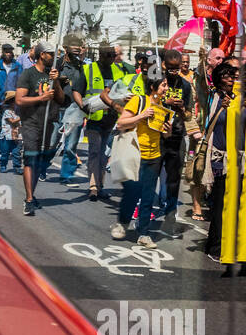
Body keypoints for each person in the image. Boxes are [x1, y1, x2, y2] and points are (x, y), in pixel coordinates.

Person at [111, 73, 170, 249]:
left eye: (166, 85)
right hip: (135, 154)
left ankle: (144, 233)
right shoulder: (139, 101)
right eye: (163, 85)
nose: (166, 89)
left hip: (154, 155)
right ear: (153, 87)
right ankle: (122, 222)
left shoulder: (163, 107)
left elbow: (165, 134)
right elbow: (121, 124)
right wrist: (141, 116)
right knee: (132, 192)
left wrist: (168, 130)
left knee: (148, 196)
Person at [154, 48, 200, 236]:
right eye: (171, 68)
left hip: (177, 136)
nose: (174, 71)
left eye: (177, 68)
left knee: (174, 181)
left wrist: (181, 108)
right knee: (150, 177)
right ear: (164, 65)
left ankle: (170, 217)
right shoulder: (157, 81)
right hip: (157, 136)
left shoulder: (186, 85)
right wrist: (164, 101)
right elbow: (149, 103)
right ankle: (144, 212)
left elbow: (189, 113)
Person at [15, 41, 64, 216]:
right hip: (31, 123)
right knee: (31, 159)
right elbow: (20, 100)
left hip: (48, 123)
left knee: (40, 162)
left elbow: (61, 99)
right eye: (51, 54)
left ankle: (32, 194)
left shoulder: (54, 74)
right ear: (42, 54)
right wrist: (40, 99)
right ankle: (28, 200)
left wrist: (56, 82)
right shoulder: (28, 74)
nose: (54, 57)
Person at [82, 44, 130, 201]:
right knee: (94, 151)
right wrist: (82, 108)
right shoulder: (88, 69)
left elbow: (123, 90)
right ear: (100, 55)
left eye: (113, 55)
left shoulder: (119, 71)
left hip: (111, 118)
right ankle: (93, 187)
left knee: (103, 154)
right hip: (94, 117)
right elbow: (78, 91)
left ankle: (100, 185)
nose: (111, 58)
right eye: (108, 55)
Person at [201, 61, 238, 261]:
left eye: (232, 76)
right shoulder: (212, 98)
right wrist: (219, 110)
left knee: (231, 203)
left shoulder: (238, 98)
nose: (231, 80)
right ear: (217, 80)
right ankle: (215, 246)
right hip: (218, 158)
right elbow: (206, 122)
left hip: (236, 158)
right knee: (219, 203)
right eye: (226, 76)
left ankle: (219, 242)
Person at [54, 41, 87, 188]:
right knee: (51, 142)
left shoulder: (83, 66)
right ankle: (41, 169)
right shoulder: (58, 64)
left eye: (78, 48)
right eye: (73, 48)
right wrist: (58, 81)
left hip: (75, 110)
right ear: (65, 49)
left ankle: (66, 176)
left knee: (71, 145)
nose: (77, 51)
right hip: (58, 108)